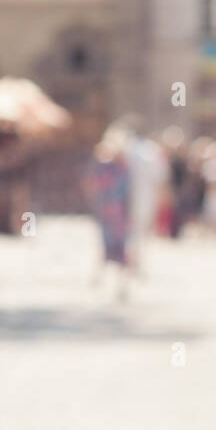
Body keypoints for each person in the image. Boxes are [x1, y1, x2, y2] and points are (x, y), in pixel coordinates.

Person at [84, 124, 135, 302]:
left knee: (120, 250)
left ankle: (120, 285)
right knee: (109, 247)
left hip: (117, 214)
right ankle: (107, 280)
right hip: (110, 213)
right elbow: (93, 185)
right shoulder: (107, 167)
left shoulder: (123, 167)